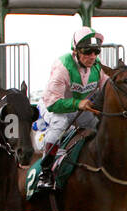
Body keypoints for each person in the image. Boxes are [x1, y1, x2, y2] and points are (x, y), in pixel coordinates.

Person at [36, 26, 105, 191]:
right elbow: (53, 103)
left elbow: (106, 89)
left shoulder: (97, 68)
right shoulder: (62, 67)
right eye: (87, 52)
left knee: (99, 124)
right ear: (76, 51)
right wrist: (77, 103)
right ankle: (45, 174)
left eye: (96, 52)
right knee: (59, 124)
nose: (92, 56)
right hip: (52, 106)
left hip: (77, 108)